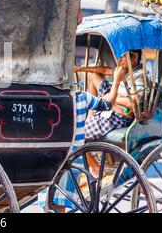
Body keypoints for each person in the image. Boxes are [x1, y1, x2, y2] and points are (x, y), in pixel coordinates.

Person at [38, 65, 126, 212]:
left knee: (50, 204)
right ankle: (95, 169)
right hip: (72, 162)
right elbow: (108, 103)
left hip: (47, 158)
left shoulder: (45, 97)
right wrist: (116, 81)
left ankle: (96, 169)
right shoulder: (81, 97)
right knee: (59, 205)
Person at [84, 50, 147, 141]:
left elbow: (132, 102)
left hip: (118, 116)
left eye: (123, 57)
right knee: (93, 76)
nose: (120, 60)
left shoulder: (140, 76)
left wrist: (110, 97)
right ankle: (90, 117)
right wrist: (79, 69)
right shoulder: (127, 70)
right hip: (111, 103)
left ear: (135, 57)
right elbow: (106, 70)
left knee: (80, 133)